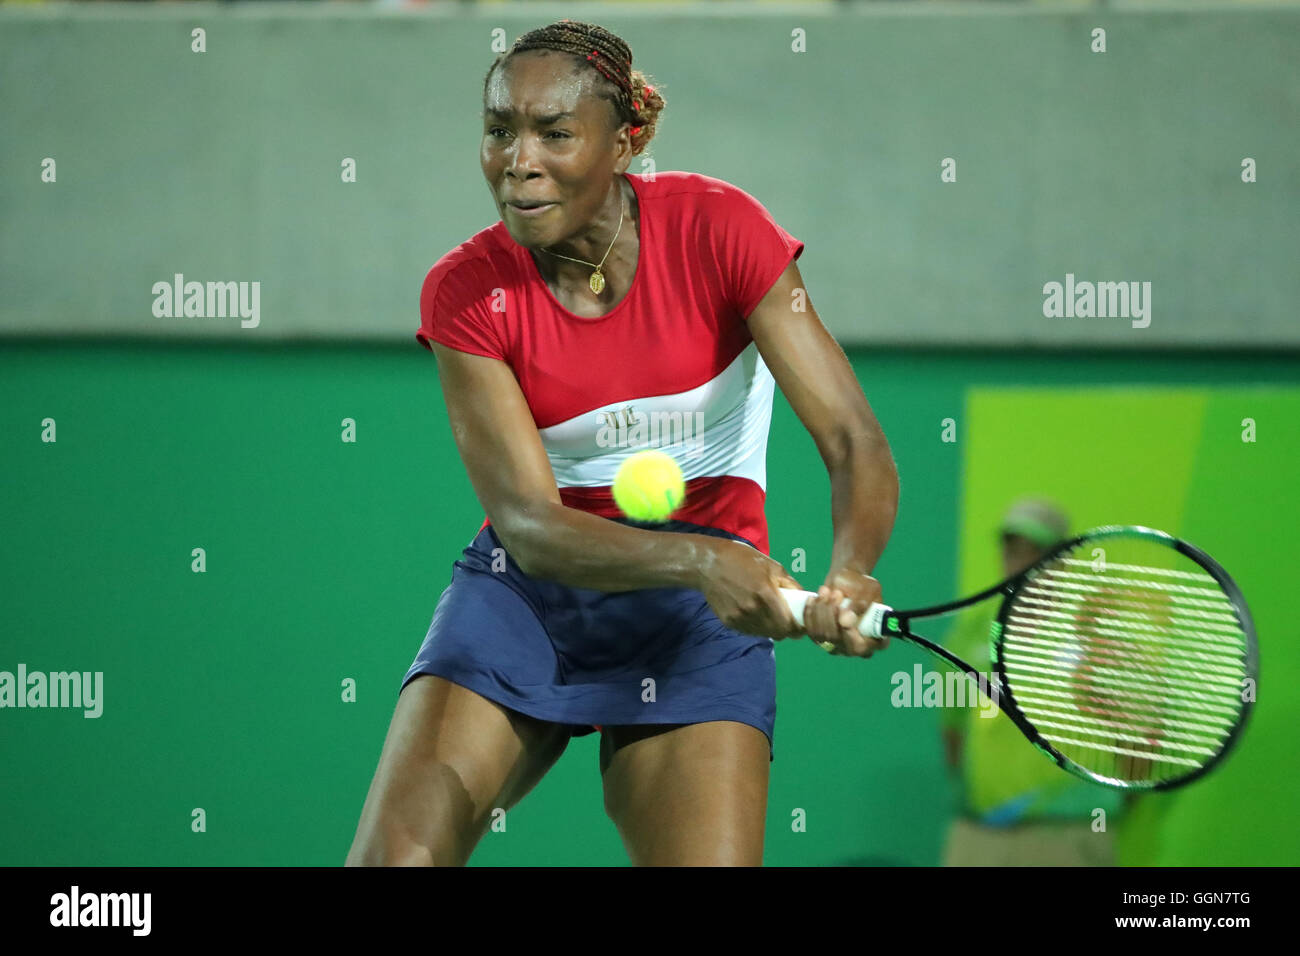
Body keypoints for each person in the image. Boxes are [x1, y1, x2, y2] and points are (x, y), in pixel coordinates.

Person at [346, 19, 899, 867]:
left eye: (555, 133)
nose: (517, 160)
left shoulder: (722, 230)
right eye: (500, 131)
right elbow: (528, 525)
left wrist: (852, 567)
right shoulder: (464, 292)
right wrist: (701, 563)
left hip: (697, 627)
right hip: (527, 598)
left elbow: (853, 439)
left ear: (625, 141)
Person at [939, 497, 1123, 866]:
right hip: (979, 834)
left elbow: (1138, 736)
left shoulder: (1096, 633)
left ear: (1062, 559)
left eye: (1034, 550)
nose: (1021, 561)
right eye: (1012, 548)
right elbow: (954, 735)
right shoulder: (968, 634)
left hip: (1066, 834)